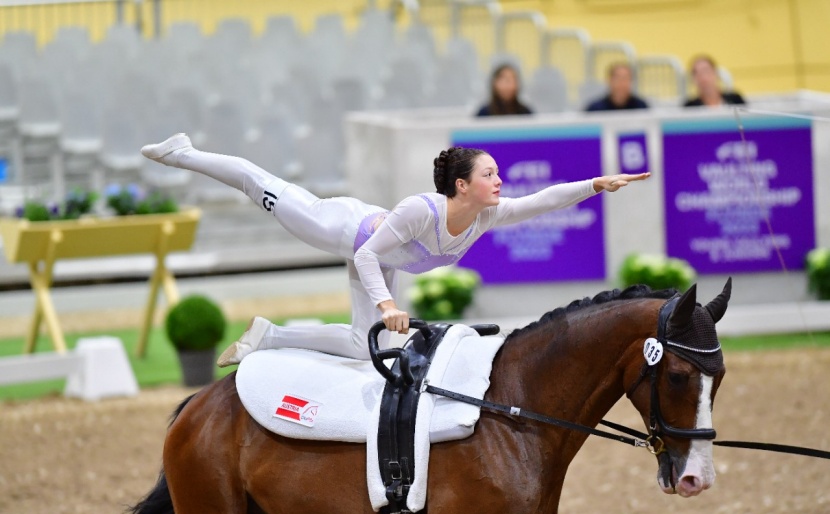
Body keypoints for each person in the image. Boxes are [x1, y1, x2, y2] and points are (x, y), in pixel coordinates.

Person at [141, 134, 649, 365]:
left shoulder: (486, 215)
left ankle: (269, 338)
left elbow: (542, 200)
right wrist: (388, 305)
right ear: (461, 184)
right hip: (340, 228)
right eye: (489, 173)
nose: (500, 180)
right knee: (260, 186)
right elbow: (366, 256)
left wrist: (596, 184)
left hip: (380, 262)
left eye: (497, 172)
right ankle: (184, 153)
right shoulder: (420, 210)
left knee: (370, 349)